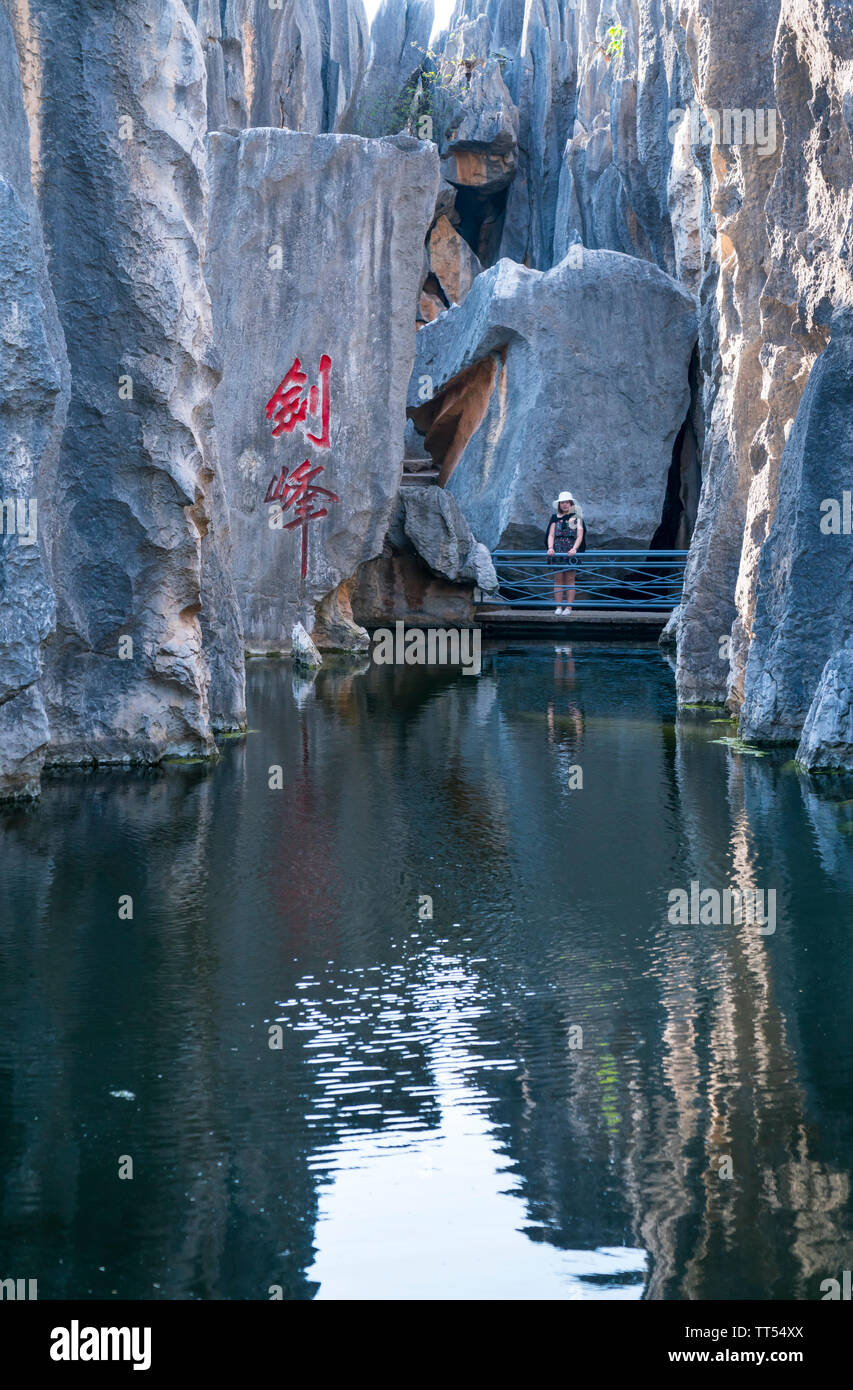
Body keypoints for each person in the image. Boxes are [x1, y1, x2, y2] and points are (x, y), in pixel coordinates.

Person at [546, 491, 585, 613]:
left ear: (571, 503)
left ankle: (568, 607)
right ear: (559, 504)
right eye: (562, 502)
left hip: (571, 551)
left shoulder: (576, 517)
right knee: (558, 579)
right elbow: (551, 534)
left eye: (567, 502)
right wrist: (550, 547)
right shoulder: (554, 518)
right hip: (557, 551)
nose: (564, 504)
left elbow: (579, 535)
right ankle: (558, 607)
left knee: (570, 580)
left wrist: (575, 548)